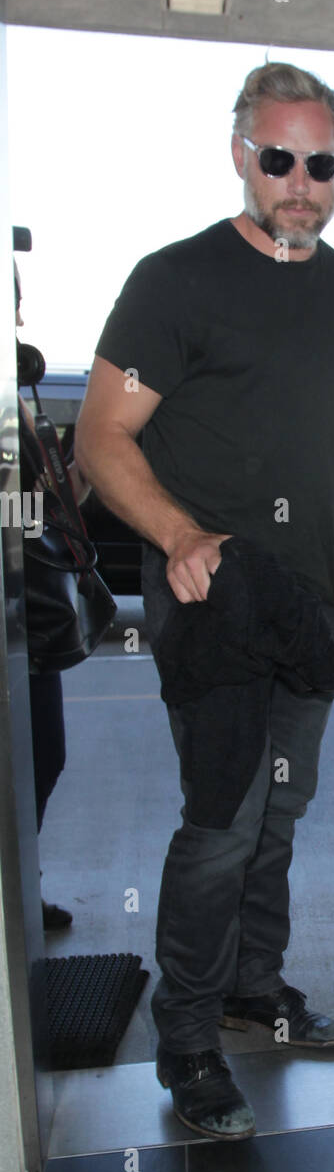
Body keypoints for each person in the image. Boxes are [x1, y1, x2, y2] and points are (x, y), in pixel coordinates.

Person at [75, 62, 334, 1141]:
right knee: (222, 822)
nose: (300, 183)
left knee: (280, 812)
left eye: (321, 163)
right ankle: (189, 1038)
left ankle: (256, 991)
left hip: (309, 607)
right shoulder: (176, 280)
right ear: (241, 154)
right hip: (212, 600)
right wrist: (177, 534)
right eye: (279, 158)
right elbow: (99, 436)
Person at [14, 260, 91, 930]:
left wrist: (81, 470)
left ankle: (19, 889)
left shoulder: (18, 402)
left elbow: (45, 512)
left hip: (28, 619)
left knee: (42, 754)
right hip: (19, 616)